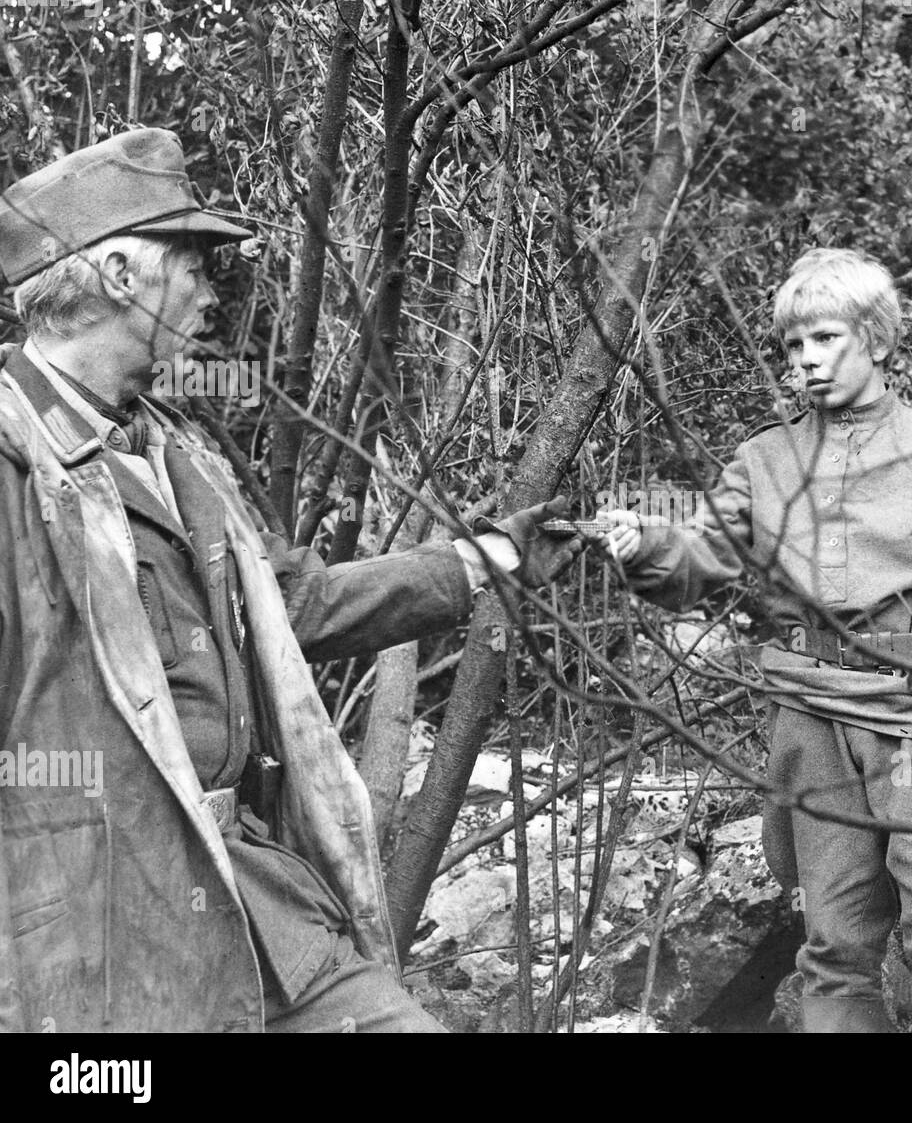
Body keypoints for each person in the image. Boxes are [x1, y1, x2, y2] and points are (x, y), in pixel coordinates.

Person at [0, 128, 575, 1032]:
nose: (209, 289)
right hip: (98, 934)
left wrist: (488, 558)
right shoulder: (11, 462)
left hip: (258, 898)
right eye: (190, 262)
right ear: (117, 273)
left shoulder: (168, 448)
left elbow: (293, 604)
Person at [597, 248, 912, 1033]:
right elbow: (699, 558)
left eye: (825, 339)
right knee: (835, 946)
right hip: (812, 715)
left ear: (877, 341)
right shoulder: (764, 460)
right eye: (793, 345)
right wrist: (645, 544)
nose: (805, 360)